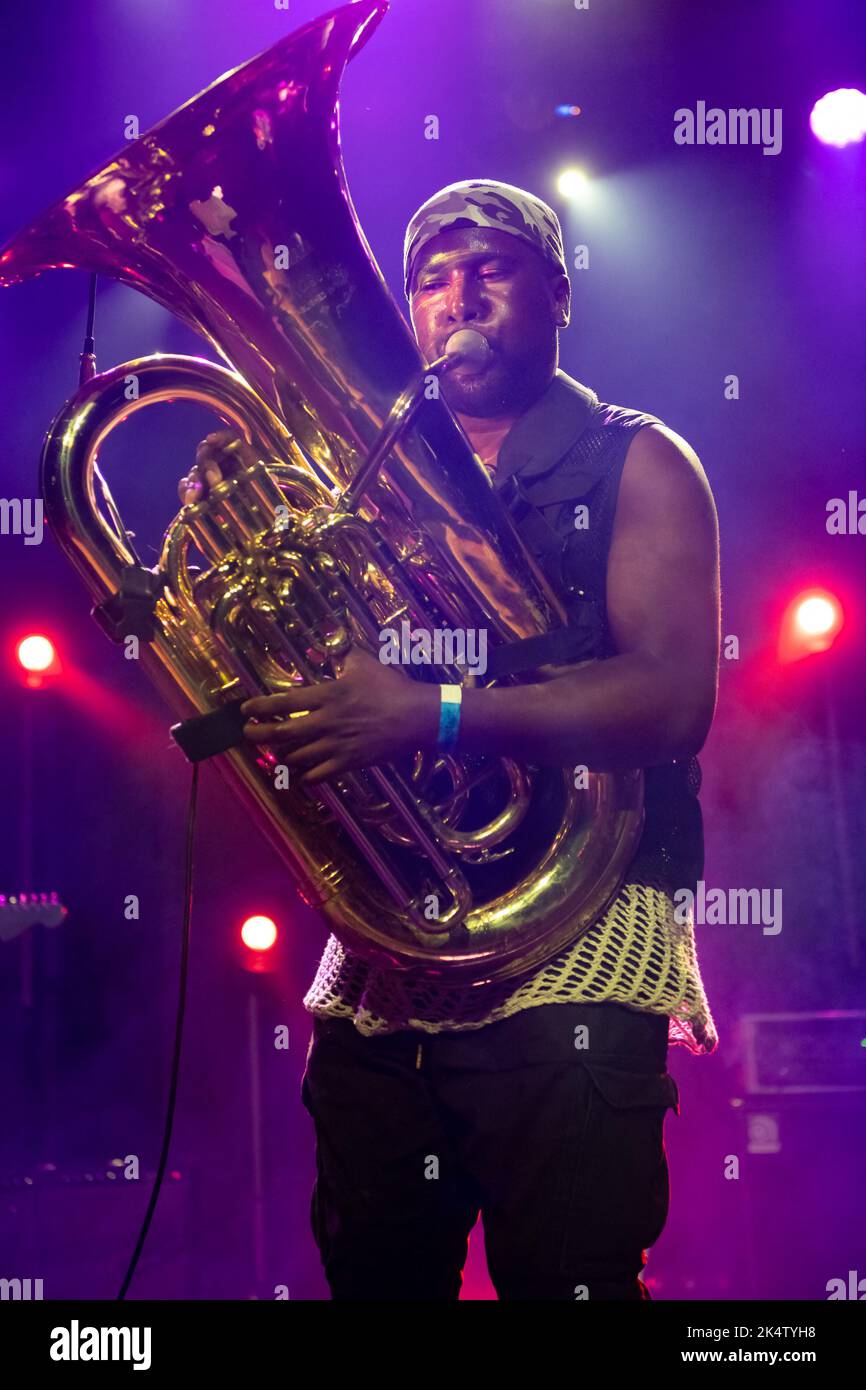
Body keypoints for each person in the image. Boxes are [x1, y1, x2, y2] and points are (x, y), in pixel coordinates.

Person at [179, 179, 720, 1301]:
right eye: (428, 279)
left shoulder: (640, 460)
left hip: (576, 932)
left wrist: (435, 714)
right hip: (392, 951)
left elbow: (671, 702)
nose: (454, 299)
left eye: (491, 269)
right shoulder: (352, 480)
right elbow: (315, 694)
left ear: (558, 293)